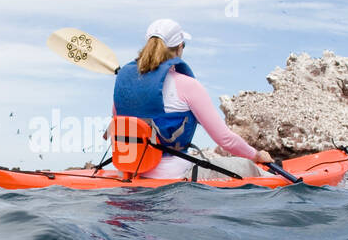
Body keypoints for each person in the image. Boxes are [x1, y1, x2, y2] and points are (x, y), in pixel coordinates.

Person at [112, 19, 274, 180]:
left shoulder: (124, 82)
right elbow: (225, 139)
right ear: (180, 48)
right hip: (173, 174)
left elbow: (116, 123)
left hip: (129, 172)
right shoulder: (187, 85)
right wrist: (256, 155)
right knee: (249, 167)